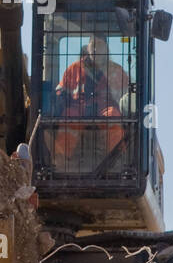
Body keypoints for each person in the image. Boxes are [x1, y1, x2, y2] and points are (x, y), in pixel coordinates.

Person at [52, 35, 130, 168]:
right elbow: (59, 91)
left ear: (106, 49)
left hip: (104, 110)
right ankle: (60, 162)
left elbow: (128, 97)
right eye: (93, 45)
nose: (95, 48)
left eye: (99, 45)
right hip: (79, 110)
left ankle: (117, 160)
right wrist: (59, 98)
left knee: (113, 115)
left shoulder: (117, 72)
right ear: (88, 48)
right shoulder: (74, 69)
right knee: (69, 115)